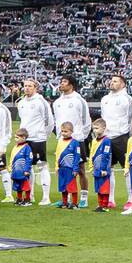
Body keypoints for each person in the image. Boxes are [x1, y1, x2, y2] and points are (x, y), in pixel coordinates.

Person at [52, 76, 92, 208]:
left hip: (77, 139)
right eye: (61, 82)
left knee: (80, 170)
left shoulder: (79, 100)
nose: (61, 84)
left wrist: (81, 136)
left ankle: (84, 197)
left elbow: (86, 120)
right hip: (62, 141)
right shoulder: (57, 102)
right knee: (64, 169)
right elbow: (57, 120)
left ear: (71, 85)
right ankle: (67, 198)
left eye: (64, 82)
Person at [100, 75, 132, 208]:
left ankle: (131, 198)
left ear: (122, 84)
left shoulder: (127, 99)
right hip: (107, 138)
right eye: (111, 81)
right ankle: (110, 198)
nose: (112, 83)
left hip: (122, 137)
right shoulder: (105, 99)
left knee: (127, 168)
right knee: (108, 169)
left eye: (115, 81)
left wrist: (131, 137)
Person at [18, 79, 55, 206]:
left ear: (36, 88)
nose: (27, 88)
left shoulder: (41, 102)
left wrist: (44, 135)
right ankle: (30, 195)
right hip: (25, 140)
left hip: (38, 139)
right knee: (27, 167)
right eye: (25, 86)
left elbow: (49, 121)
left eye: (30, 86)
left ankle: (46, 197)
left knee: (42, 166)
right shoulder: (21, 102)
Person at [56, 122, 82, 209]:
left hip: (70, 169)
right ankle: (64, 202)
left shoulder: (75, 143)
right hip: (62, 168)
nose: (63, 133)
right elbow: (58, 155)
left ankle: (74, 203)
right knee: (63, 186)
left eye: (66, 131)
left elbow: (77, 157)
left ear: (71, 132)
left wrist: (75, 169)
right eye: (62, 131)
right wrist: (57, 167)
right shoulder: (60, 142)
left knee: (72, 186)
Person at [90, 118, 114, 212]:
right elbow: (92, 154)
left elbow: (106, 155)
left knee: (104, 187)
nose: (95, 130)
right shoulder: (94, 141)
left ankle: (104, 205)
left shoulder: (106, 141)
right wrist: (91, 167)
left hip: (103, 169)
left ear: (103, 128)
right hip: (96, 168)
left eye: (97, 128)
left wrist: (104, 169)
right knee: (98, 188)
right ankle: (99, 205)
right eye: (94, 128)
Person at [9, 128, 34, 206]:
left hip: (23, 172)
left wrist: (26, 170)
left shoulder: (27, 148)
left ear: (23, 138)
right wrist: (10, 167)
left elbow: (29, 160)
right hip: (15, 171)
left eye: (17, 137)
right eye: (15, 137)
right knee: (17, 186)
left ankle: (27, 199)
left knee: (25, 186)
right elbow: (12, 158)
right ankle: (19, 199)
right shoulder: (15, 147)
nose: (15, 139)